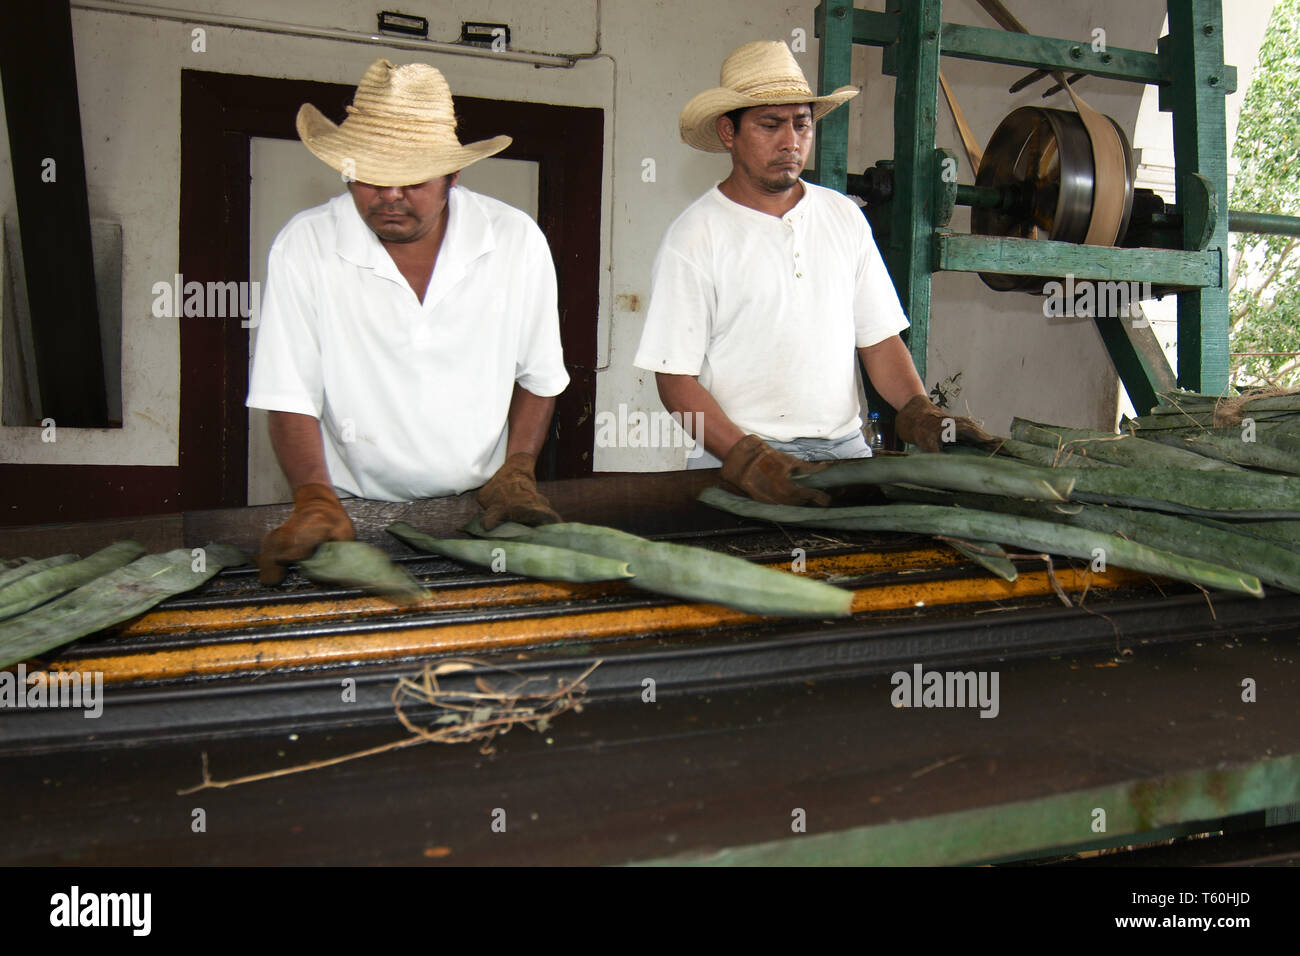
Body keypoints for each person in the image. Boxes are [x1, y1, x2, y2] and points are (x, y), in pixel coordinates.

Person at [247, 59, 569, 584]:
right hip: (348, 512)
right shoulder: (305, 245)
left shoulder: (514, 240)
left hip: (485, 510)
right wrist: (313, 497)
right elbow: (287, 394)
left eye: (413, 180)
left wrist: (518, 469)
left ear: (453, 175)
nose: (390, 196)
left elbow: (539, 376)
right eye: (371, 176)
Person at [634, 41, 989, 506]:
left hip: (844, 451)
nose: (791, 142)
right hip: (736, 457)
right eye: (770, 125)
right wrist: (748, 460)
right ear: (728, 132)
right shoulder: (696, 236)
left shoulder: (842, 216)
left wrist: (918, 409)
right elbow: (674, 380)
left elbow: (879, 340)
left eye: (802, 124)